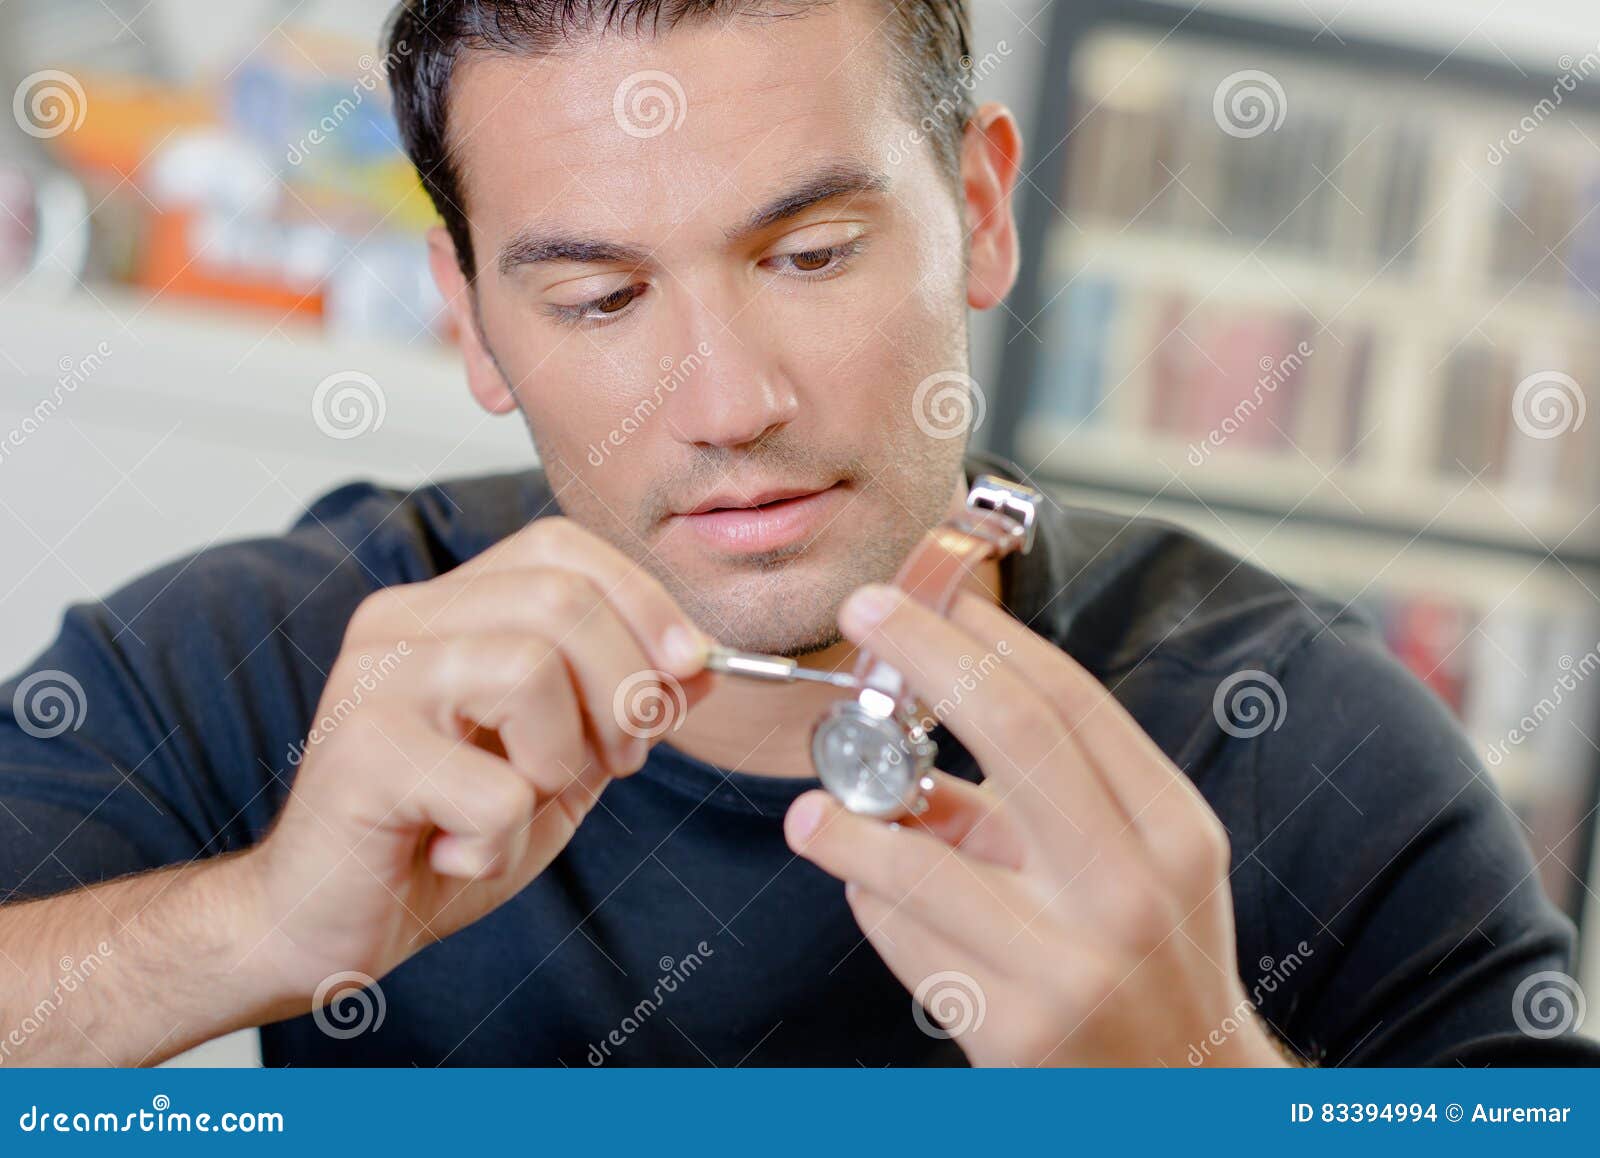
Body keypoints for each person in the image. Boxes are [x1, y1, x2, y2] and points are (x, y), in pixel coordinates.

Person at [0, 0, 1593, 1068]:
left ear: (976, 209)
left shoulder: (1309, 735)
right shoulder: (263, 659)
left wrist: (1203, 1093)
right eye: (601, 298)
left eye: (813, 254)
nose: (726, 400)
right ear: (471, 321)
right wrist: (268, 919)